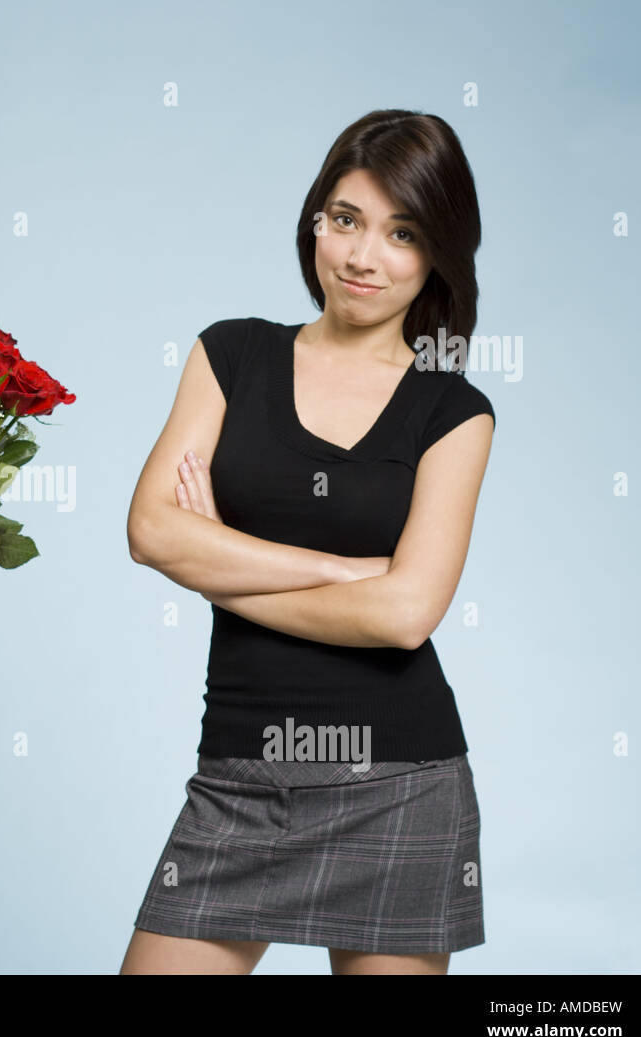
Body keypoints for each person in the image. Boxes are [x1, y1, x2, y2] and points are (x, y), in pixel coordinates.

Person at [122, 110, 495, 975]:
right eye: (345, 219)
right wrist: (337, 572)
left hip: (401, 784)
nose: (364, 256)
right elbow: (150, 531)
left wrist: (216, 555)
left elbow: (405, 615)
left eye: (402, 233)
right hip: (239, 779)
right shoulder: (232, 355)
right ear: (314, 222)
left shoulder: (454, 410)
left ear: (439, 249)